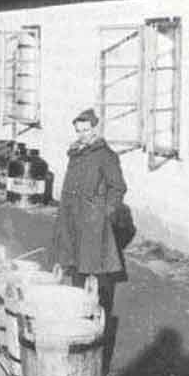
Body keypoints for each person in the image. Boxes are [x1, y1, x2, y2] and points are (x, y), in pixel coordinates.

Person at [52, 108, 128, 319]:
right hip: (73, 218)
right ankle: (80, 314)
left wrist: (105, 212)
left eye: (86, 129)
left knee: (98, 270)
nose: (83, 134)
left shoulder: (105, 155)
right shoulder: (76, 153)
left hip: (94, 221)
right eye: (79, 131)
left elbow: (118, 187)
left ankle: (100, 316)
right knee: (76, 266)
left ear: (95, 128)